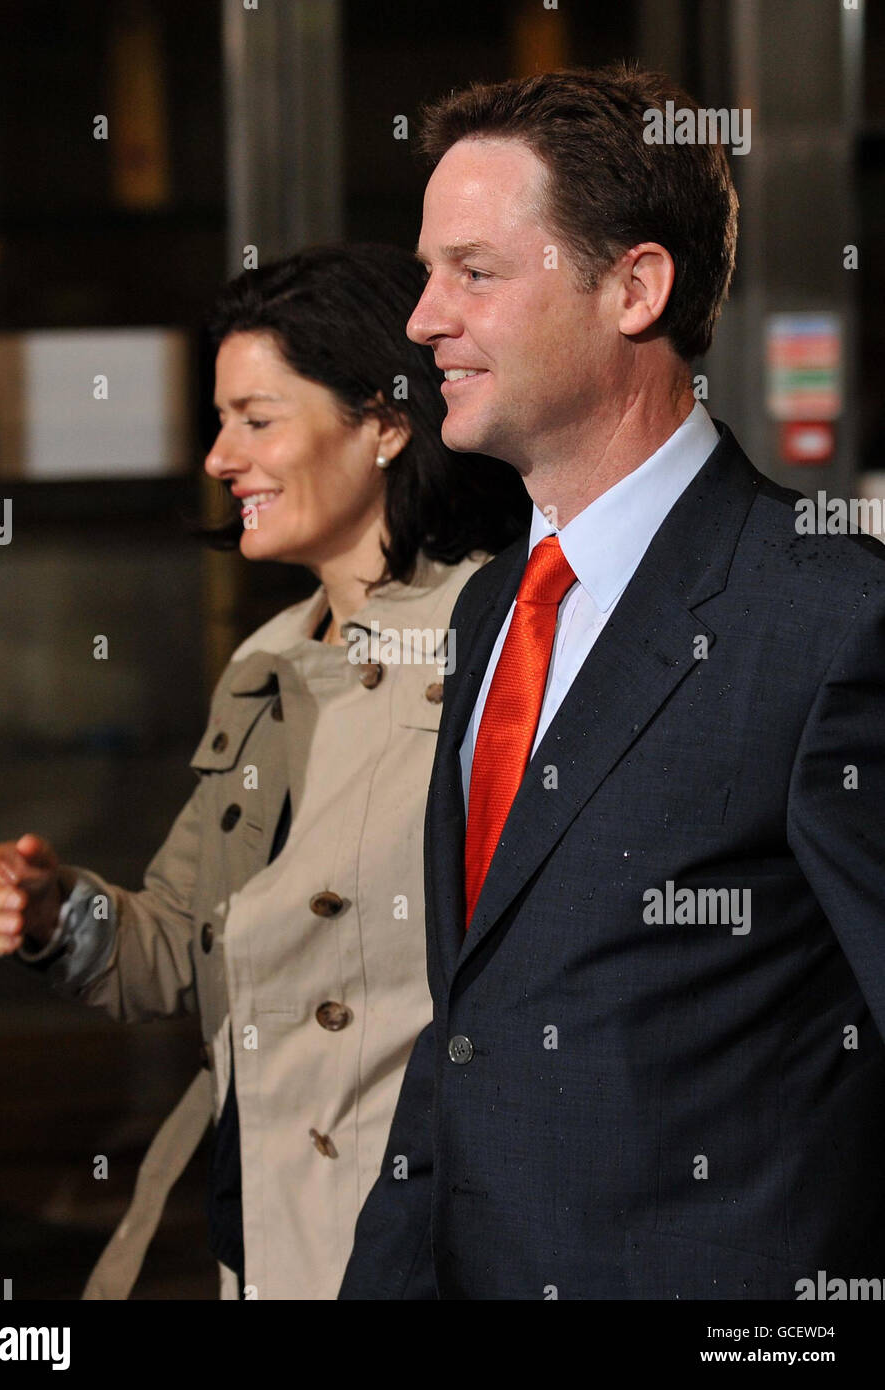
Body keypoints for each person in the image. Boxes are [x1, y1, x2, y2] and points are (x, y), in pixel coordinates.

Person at [339, 64, 885, 1301]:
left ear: (635, 287)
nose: (424, 319)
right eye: (429, 274)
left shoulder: (832, 619)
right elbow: (467, 1032)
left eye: (474, 273)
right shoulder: (493, 609)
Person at [0, 242, 529, 1300]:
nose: (222, 458)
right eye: (221, 421)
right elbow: (175, 940)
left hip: (428, 1251)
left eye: (257, 420)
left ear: (386, 425)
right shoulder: (266, 662)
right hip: (273, 1246)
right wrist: (55, 913)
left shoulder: (506, 637)